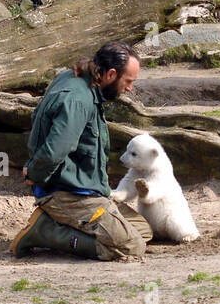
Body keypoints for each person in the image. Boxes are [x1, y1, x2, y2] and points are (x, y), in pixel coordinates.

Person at [11, 41, 152, 260]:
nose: (129, 89)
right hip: (68, 195)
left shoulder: (79, 81)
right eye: (128, 81)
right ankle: (46, 232)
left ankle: (52, 223)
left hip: (87, 191)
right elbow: (55, 150)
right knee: (131, 246)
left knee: (143, 231)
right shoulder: (78, 99)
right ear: (111, 74)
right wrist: (35, 174)